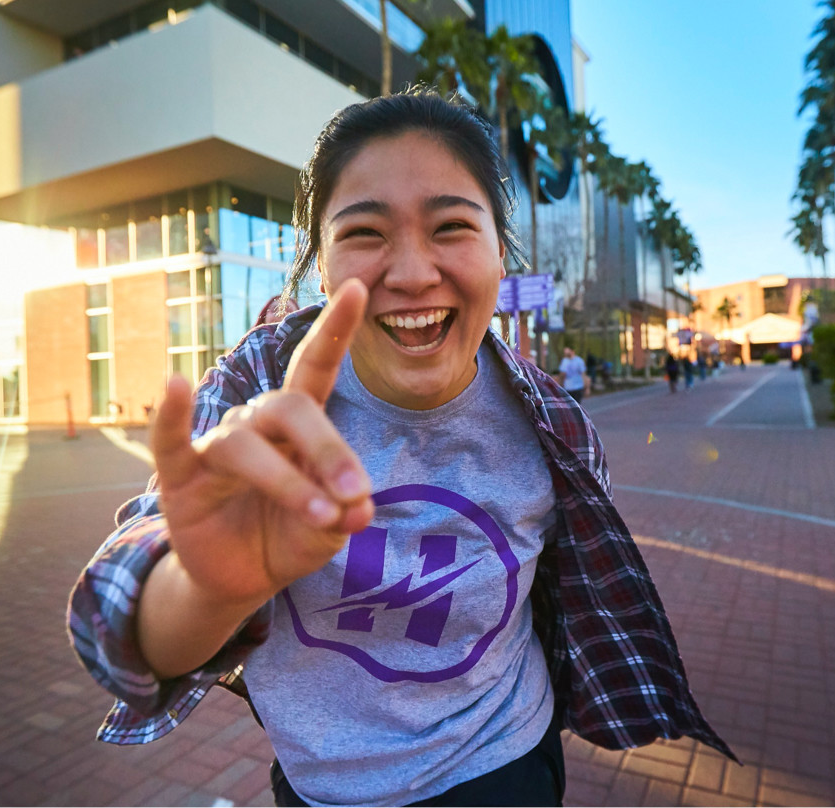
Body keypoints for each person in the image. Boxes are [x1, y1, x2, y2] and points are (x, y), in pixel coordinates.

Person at [68, 88, 732, 808]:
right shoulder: (260, 390)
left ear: (499, 256)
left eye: (451, 226)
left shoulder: (554, 425)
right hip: (318, 787)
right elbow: (125, 626)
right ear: (320, 266)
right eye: (364, 234)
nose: (413, 273)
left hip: (503, 767)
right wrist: (215, 587)